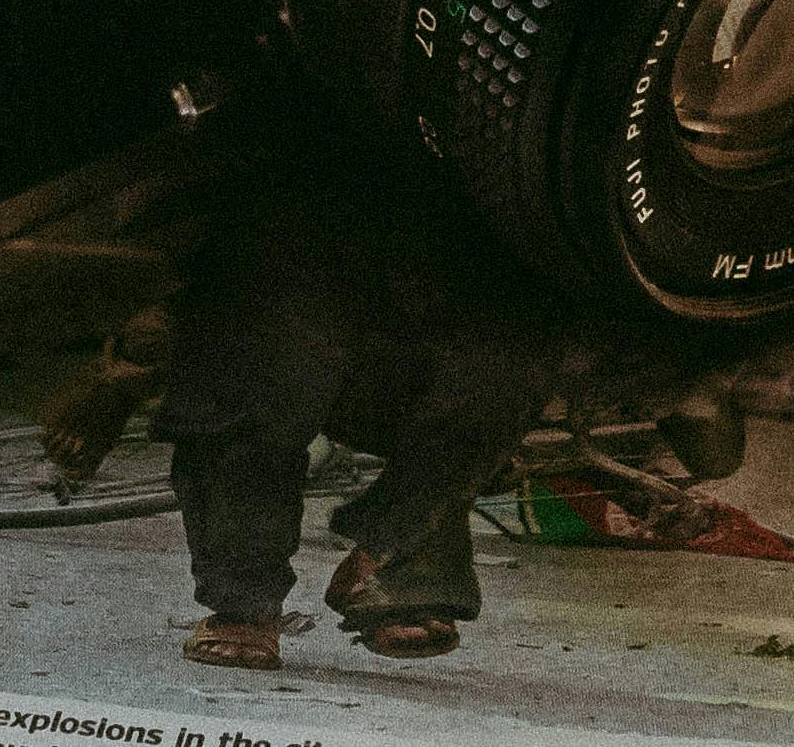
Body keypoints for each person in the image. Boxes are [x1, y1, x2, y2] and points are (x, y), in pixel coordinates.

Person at [147, 130, 569, 671]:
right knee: (256, 364)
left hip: (456, 215)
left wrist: (393, 530)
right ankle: (243, 601)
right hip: (307, 199)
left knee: (504, 350)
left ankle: (401, 569)